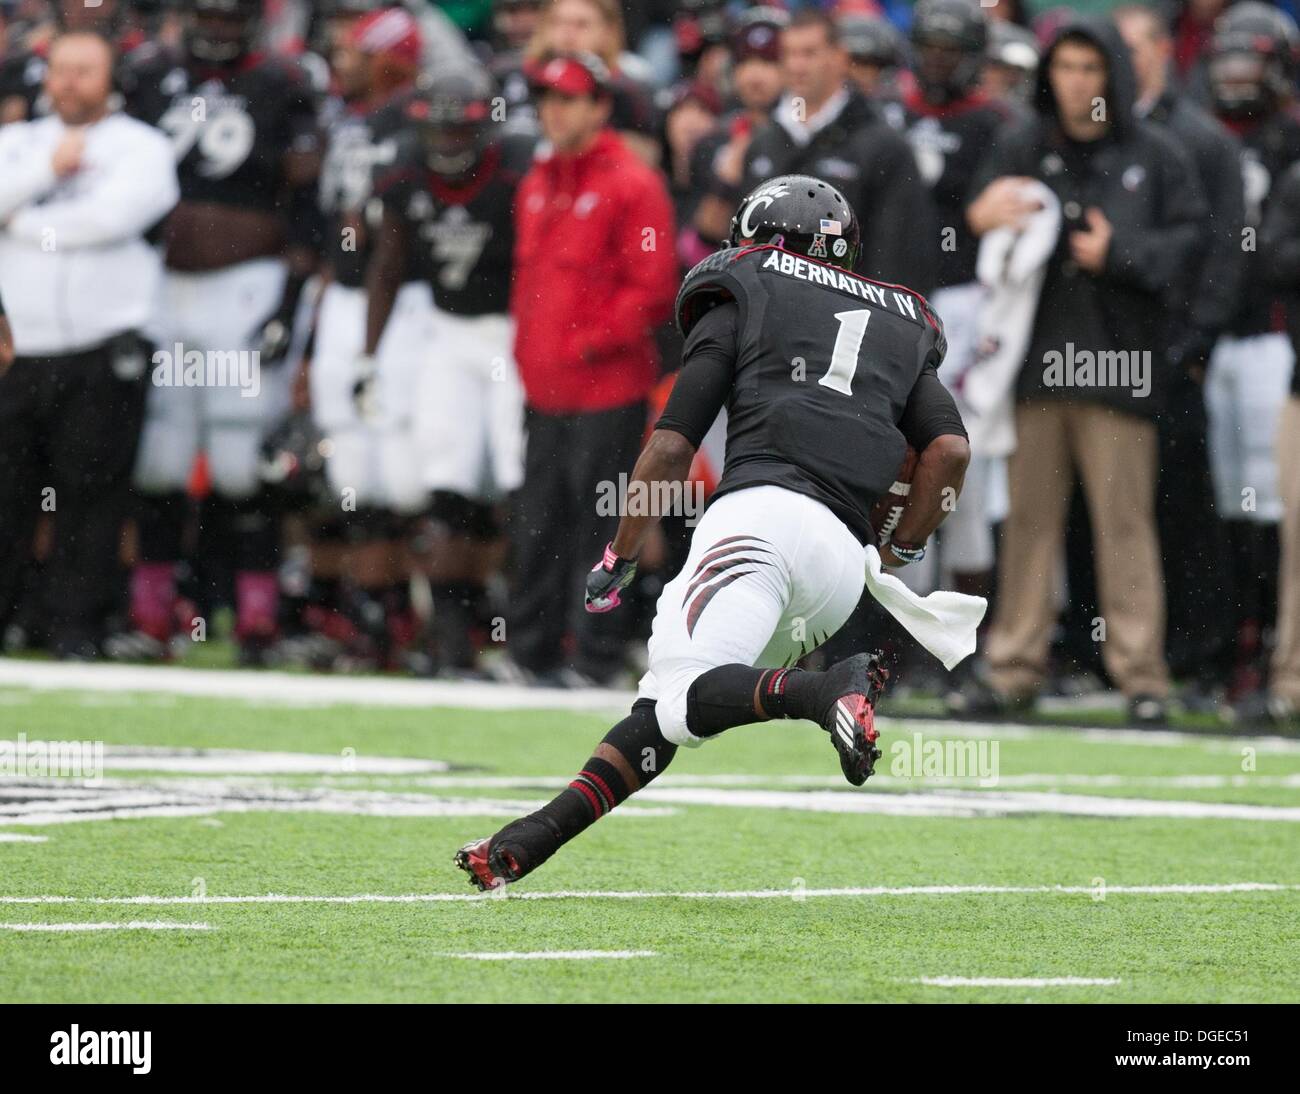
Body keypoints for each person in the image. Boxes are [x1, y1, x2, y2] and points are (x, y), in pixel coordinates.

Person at [454, 174, 975, 891]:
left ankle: (828, 693)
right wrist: (894, 557)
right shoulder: (901, 317)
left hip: (759, 519)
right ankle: (529, 842)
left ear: (757, 241)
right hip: (838, 571)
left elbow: (670, 447)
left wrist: (621, 554)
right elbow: (949, 453)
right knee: (672, 701)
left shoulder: (745, 282)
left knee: (687, 686)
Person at [964, 18, 1207, 724]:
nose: (1078, 83)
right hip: (1034, 370)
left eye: (1092, 69)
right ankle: (1012, 668)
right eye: (1066, 68)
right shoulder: (1021, 146)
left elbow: (1193, 248)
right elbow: (971, 216)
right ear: (1050, 76)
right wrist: (979, 214)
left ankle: (1142, 681)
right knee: (1030, 526)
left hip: (1119, 373)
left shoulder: (1158, 154)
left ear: (1115, 78)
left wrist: (1121, 254)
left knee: (1124, 527)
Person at [117, 0, 322, 664]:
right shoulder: (147, 74)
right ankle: (153, 614)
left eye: (231, 15)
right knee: (159, 461)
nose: (219, 27)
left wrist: (289, 301)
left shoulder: (282, 83)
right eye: (208, 12)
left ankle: (256, 618)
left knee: (239, 462)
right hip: (163, 284)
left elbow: (306, 202)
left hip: (246, 288)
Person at [0, 30, 179, 658]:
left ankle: (77, 627)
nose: (71, 81)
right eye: (62, 69)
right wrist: (44, 174)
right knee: (8, 491)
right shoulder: (18, 143)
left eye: (86, 70)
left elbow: (113, 219)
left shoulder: (143, 147)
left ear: (113, 78)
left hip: (105, 345)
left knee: (93, 494)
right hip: (17, 349)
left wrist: (22, 223)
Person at [505, 51, 676, 686]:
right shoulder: (538, 178)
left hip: (607, 387)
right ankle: (531, 655)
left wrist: (587, 343)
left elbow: (654, 288)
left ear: (600, 106)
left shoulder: (633, 183)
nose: (555, 111)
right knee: (538, 518)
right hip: (544, 386)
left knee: (602, 523)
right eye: (547, 98)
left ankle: (597, 655)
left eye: (569, 99)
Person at [367, 67, 535, 675]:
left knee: (521, 486)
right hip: (444, 331)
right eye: (436, 128)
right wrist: (369, 355)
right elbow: (387, 263)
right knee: (446, 488)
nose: (446, 142)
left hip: (512, 333)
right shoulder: (404, 169)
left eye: (458, 129)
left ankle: (527, 638)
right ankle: (450, 644)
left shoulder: (517, 168)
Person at [1114, 4, 1245, 706]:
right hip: (1109, 357)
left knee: (1189, 508)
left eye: (1134, 48)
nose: (1123, 60)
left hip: (1178, 355)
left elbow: (1225, 251)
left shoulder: (1201, 140)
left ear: (1164, 50)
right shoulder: (1106, 132)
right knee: (1114, 511)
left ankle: (1203, 658)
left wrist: (1195, 345)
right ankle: (1113, 656)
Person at [739, 9, 936, 293]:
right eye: (789, 53)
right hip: (770, 311)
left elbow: (899, 251)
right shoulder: (762, 142)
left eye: (809, 53)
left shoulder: (883, 145)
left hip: (850, 313)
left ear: (840, 57)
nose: (797, 65)